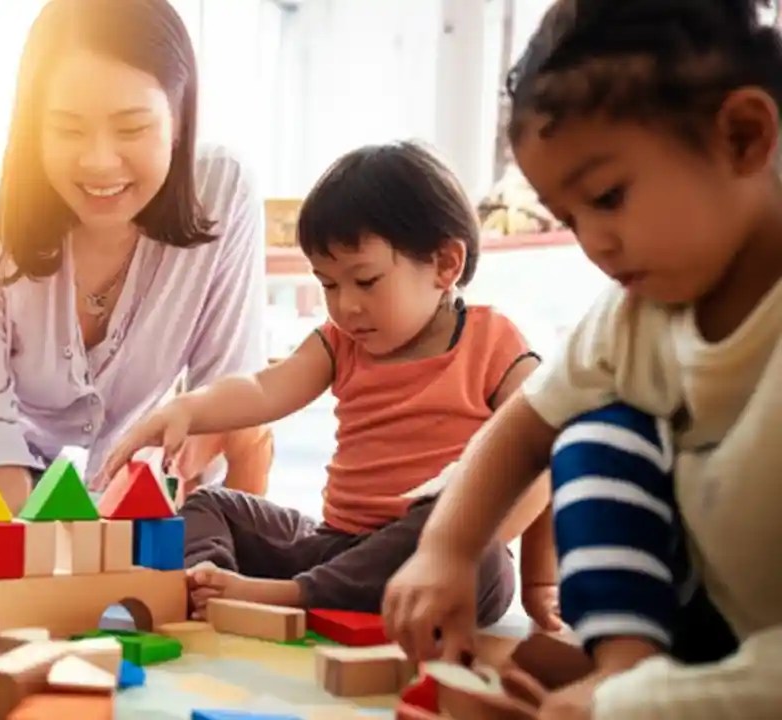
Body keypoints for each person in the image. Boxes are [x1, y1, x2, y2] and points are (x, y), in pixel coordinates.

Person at [383, 0, 782, 717]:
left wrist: (630, 710)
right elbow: (523, 427)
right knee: (596, 430)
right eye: (570, 218)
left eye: (608, 197)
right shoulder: (637, 316)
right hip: (722, 616)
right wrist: (447, 549)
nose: (594, 242)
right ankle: (627, 661)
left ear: (743, 137)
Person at [0, 0, 273, 520]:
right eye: (68, 129)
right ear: (35, 127)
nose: (99, 162)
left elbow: (229, 397)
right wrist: (31, 545)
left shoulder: (223, 191)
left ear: (179, 119)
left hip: (117, 446)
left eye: (132, 128)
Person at [97, 142, 560, 626]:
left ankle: (288, 596)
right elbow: (263, 389)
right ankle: (209, 586)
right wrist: (187, 410)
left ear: (446, 264)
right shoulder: (340, 342)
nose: (346, 306)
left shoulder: (494, 343)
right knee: (209, 503)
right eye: (329, 285)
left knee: (480, 553)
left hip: (428, 553)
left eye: (366, 281)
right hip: (334, 545)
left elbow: (545, 449)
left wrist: (539, 580)